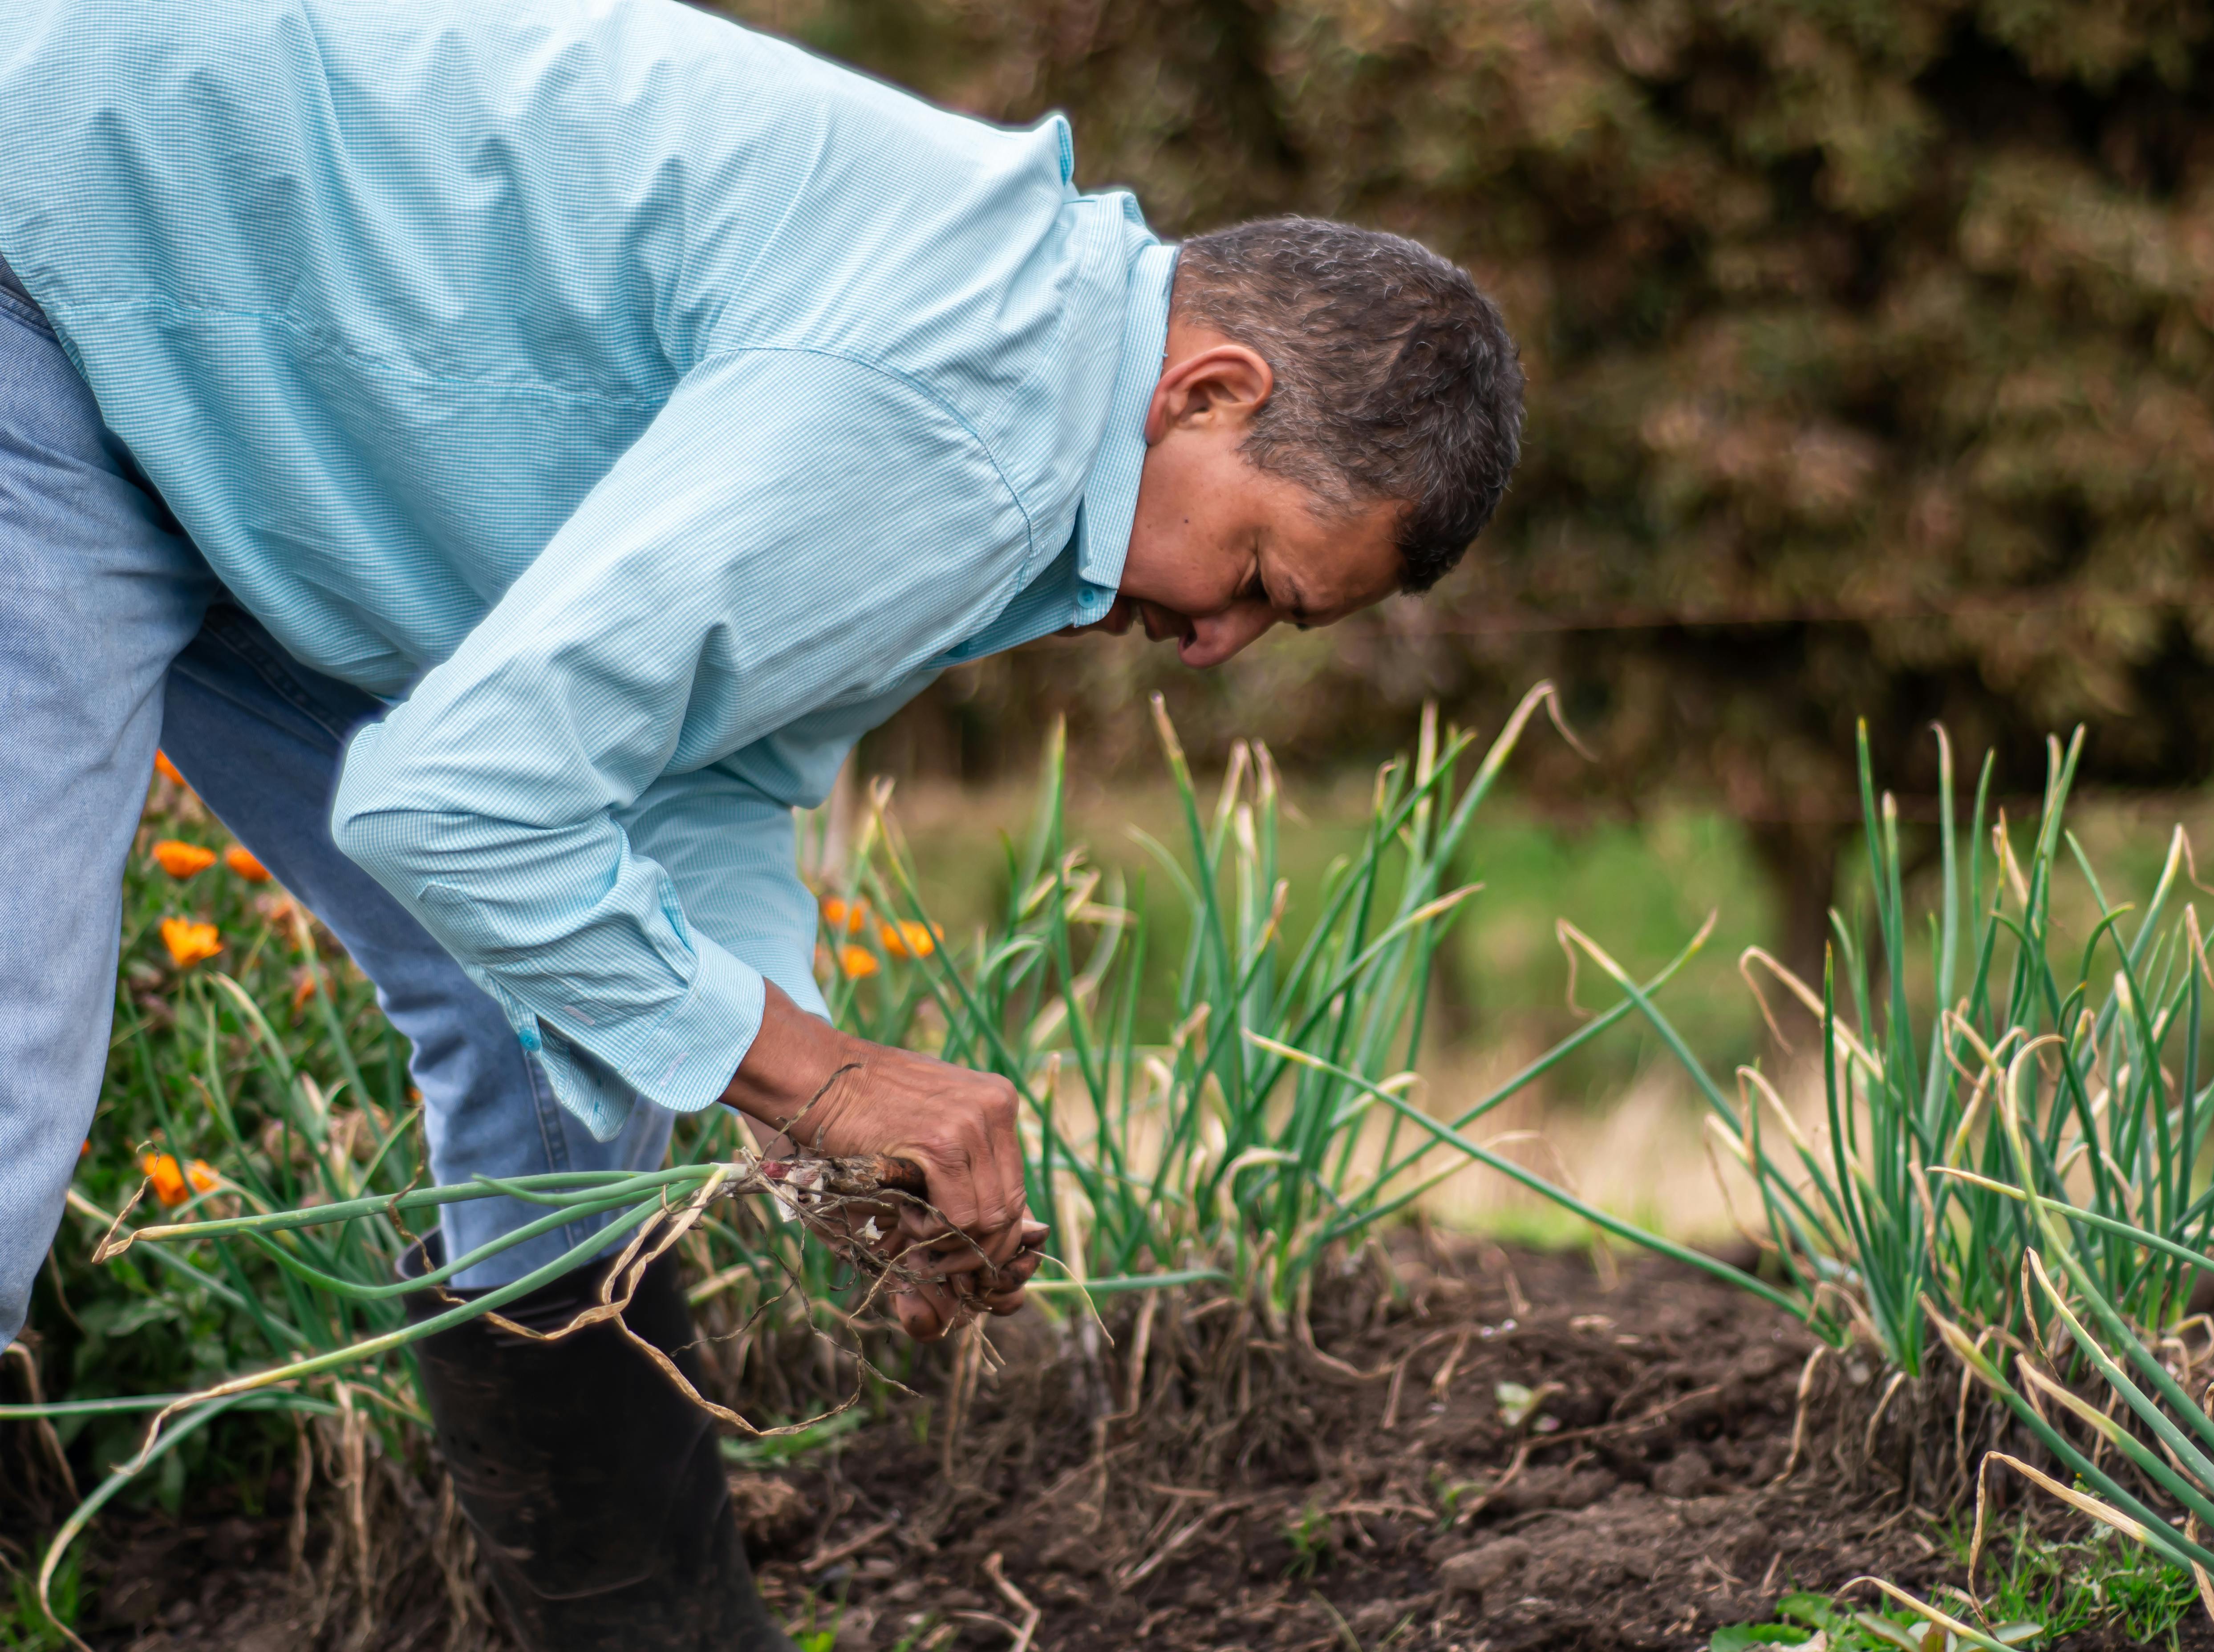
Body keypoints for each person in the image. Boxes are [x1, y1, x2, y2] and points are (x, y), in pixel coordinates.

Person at [0, 0, 1523, 1644]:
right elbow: (456, 811)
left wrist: (800, 1117)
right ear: (1213, 394)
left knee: (562, 1061)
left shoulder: (1033, 411)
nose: (1219, 644)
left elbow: (697, 783)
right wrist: (830, 1079)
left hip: (247, 405)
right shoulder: (966, 417)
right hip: (59, 265)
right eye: (1254, 578)